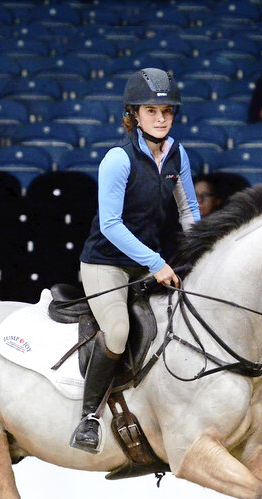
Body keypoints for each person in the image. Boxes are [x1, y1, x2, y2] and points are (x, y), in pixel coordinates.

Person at [71, 68, 200, 453]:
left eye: (167, 111)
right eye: (152, 110)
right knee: (118, 330)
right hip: (105, 263)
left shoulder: (178, 154)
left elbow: (189, 210)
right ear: (135, 114)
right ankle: (89, 418)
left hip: (148, 261)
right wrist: (157, 263)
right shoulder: (118, 158)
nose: (161, 118)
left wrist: (200, 254)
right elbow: (110, 224)